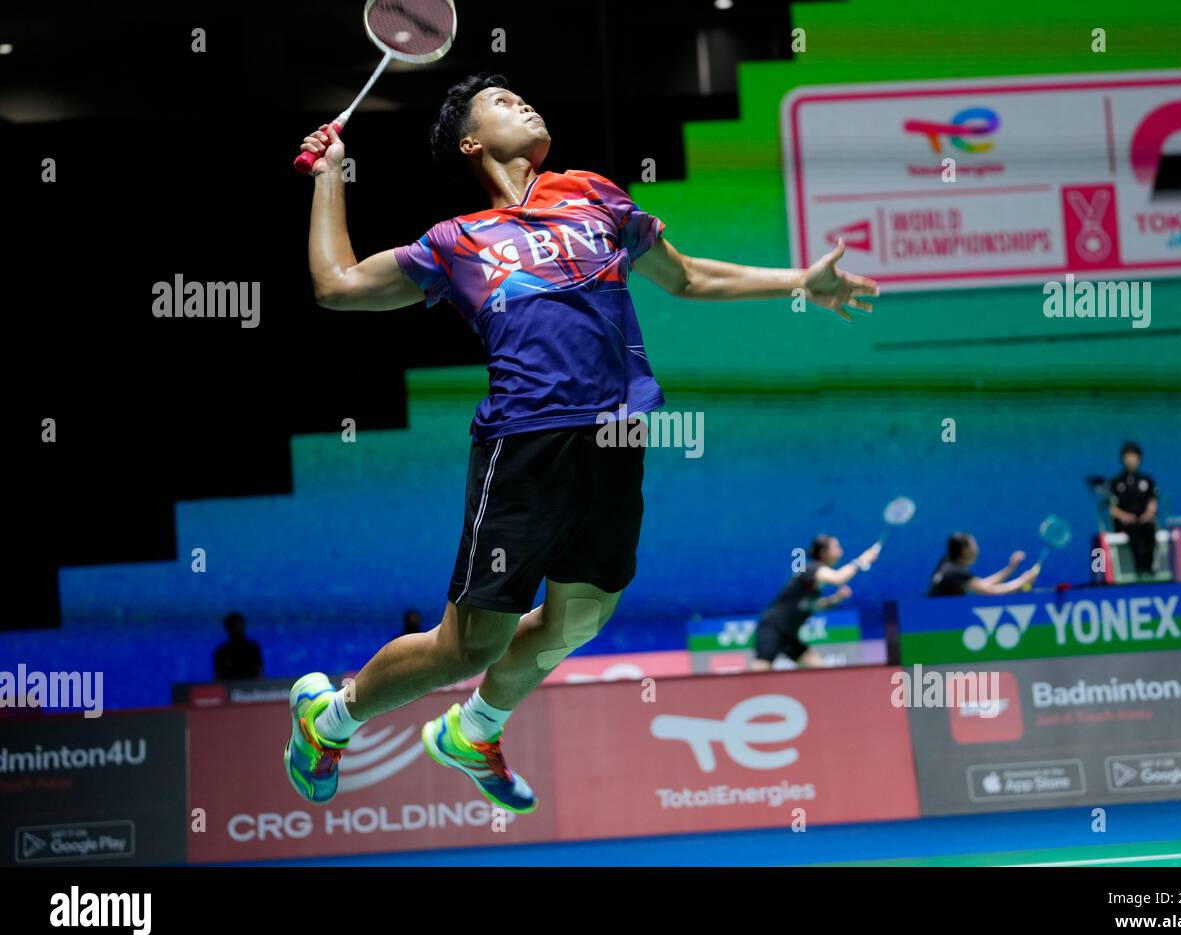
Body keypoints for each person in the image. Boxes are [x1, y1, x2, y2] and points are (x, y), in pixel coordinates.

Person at [284, 74, 880, 810]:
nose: (524, 102)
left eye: (522, 95)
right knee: (470, 646)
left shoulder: (594, 195)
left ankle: (475, 730)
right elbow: (337, 285)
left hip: (617, 431)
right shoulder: (457, 242)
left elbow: (688, 277)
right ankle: (329, 716)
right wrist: (332, 177)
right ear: (471, 142)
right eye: (501, 102)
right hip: (525, 443)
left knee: (584, 614)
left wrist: (802, 282)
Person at [751, 535, 878, 671]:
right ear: (824, 553)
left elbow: (812, 606)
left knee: (817, 668)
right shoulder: (811, 569)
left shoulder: (814, 581)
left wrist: (835, 599)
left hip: (789, 634)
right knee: (760, 672)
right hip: (772, 627)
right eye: (836, 547)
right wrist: (861, 561)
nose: (840, 550)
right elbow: (838, 578)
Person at [927, 533, 1040, 596]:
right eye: (974, 545)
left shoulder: (947, 565)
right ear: (965, 550)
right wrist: (1022, 582)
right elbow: (989, 591)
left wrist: (1010, 570)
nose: (977, 549)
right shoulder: (955, 572)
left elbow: (983, 584)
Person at [1108, 441, 1159, 574]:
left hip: (1144, 520)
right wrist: (1126, 517)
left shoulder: (1146, 480)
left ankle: (1149, 566)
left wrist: (1148, 515)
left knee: (1149, 527)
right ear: (1122, 459)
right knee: (1134, 528)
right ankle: (1139, 568)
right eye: (1127, 456)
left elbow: (1153, 501)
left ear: (1139, 458)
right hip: (1126, 523)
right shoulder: (1116, 482)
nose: (1131, 460)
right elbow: (1112, 508)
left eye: (1133, 456)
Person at [214, 612, 263, 681]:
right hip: (229, 688)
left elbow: (259, 673)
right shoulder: (221, 652)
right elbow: (218, 677)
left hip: (252, 688)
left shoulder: (253, 648)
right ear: (228, 629)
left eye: (240, 627)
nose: (238, 631)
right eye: (235, 628)